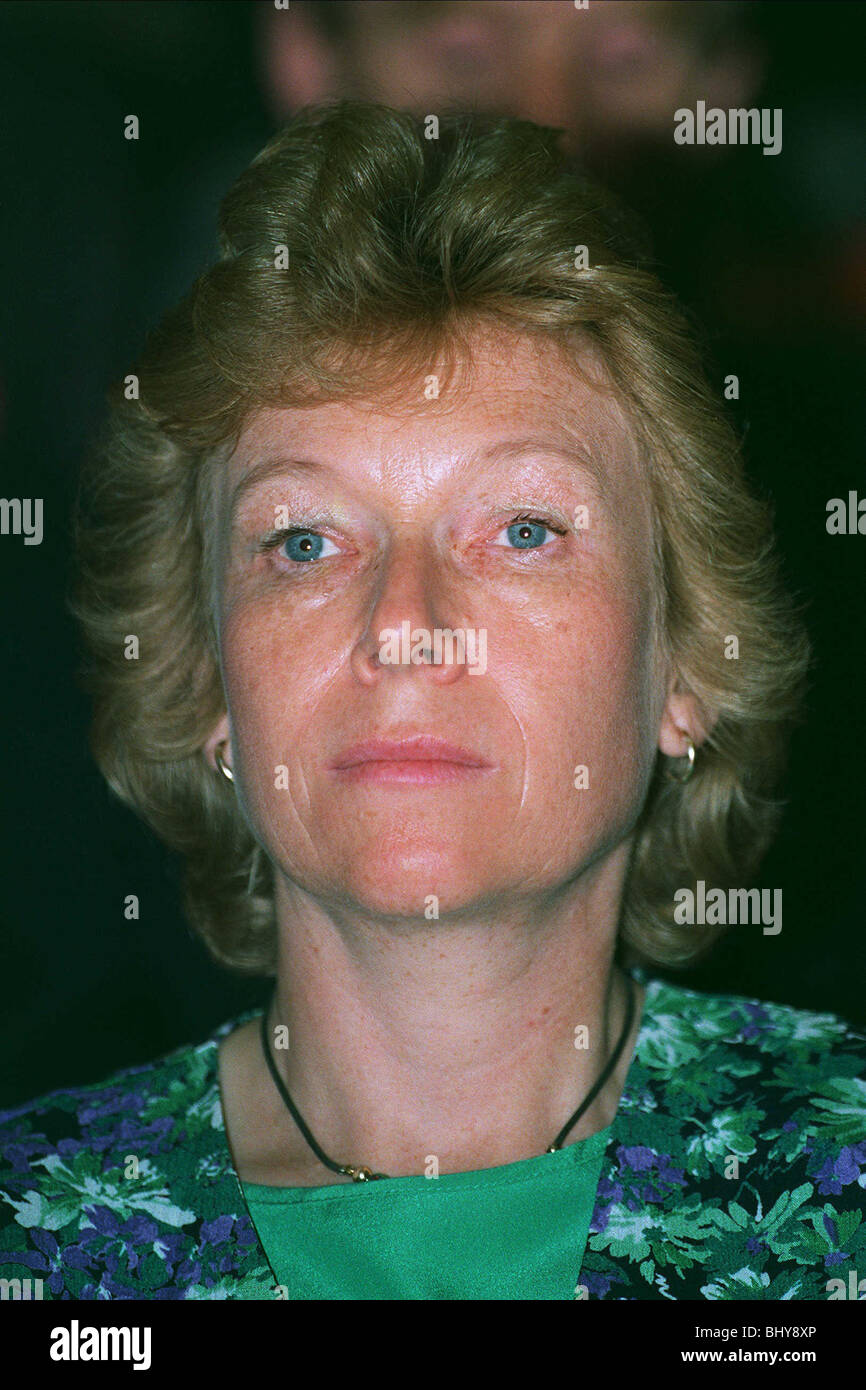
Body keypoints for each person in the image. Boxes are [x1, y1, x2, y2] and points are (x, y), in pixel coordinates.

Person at [0, 102, 862, 1302]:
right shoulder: (28, 1238)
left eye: (522, 530)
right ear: (206, 681)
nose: (402, 621)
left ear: (686, 670)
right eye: (301, 541)